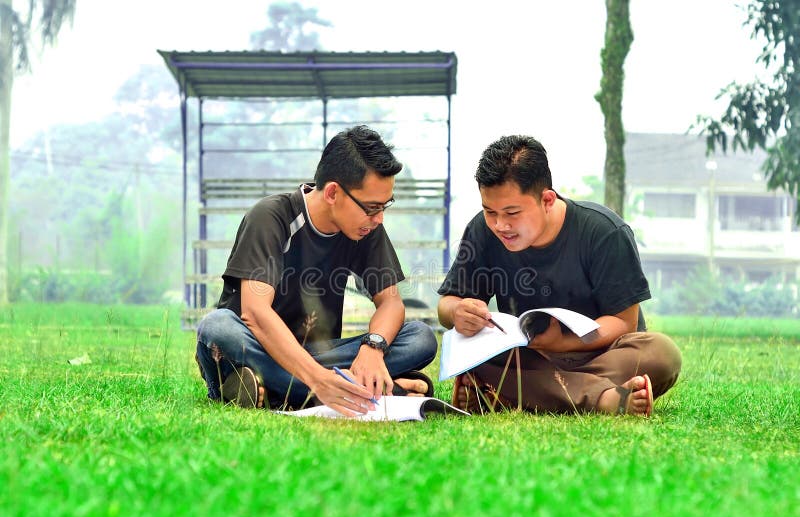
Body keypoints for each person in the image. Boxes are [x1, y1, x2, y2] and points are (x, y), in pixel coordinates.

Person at [195, 125, 438, 416]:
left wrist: (373, 348)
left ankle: (273, 390)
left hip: (319, 355)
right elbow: (255, 314)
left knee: (420, 337)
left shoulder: (365, 229)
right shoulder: (272, 217)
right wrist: (318, 379)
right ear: (334, 192)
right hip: (256, 347)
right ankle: (365, 391)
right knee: (217, 327)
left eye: (385, 206)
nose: (379, 218)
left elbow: (391, 302)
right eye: (372, 207)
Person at [437, 134, 681, 416]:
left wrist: (563, 343)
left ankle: (507, 394)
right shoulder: (482, 230)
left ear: (547, 200)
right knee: (478, 356)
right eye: (490, 211)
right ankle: (604, 399)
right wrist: (458, 311)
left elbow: (624, 323)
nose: (500, 225)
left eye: (512, 212)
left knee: (662, 354)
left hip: (601, 354)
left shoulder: (604, 232)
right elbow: (446, 304)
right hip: (529, 357)